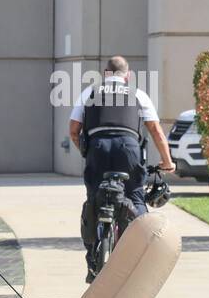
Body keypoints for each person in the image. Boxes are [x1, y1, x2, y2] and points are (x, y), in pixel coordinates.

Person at [69, 56, 175, 282]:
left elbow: (73, 130)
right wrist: (168, 161)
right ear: (127, 76)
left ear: (106, 74)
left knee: (94, 199)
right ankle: (142, 256)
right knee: (136, 196)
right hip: (128, 148)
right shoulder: (137, 94)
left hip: (98, 148)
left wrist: (85, 152)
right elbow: (156, 131)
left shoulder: (90, 93)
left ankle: (91, 260)